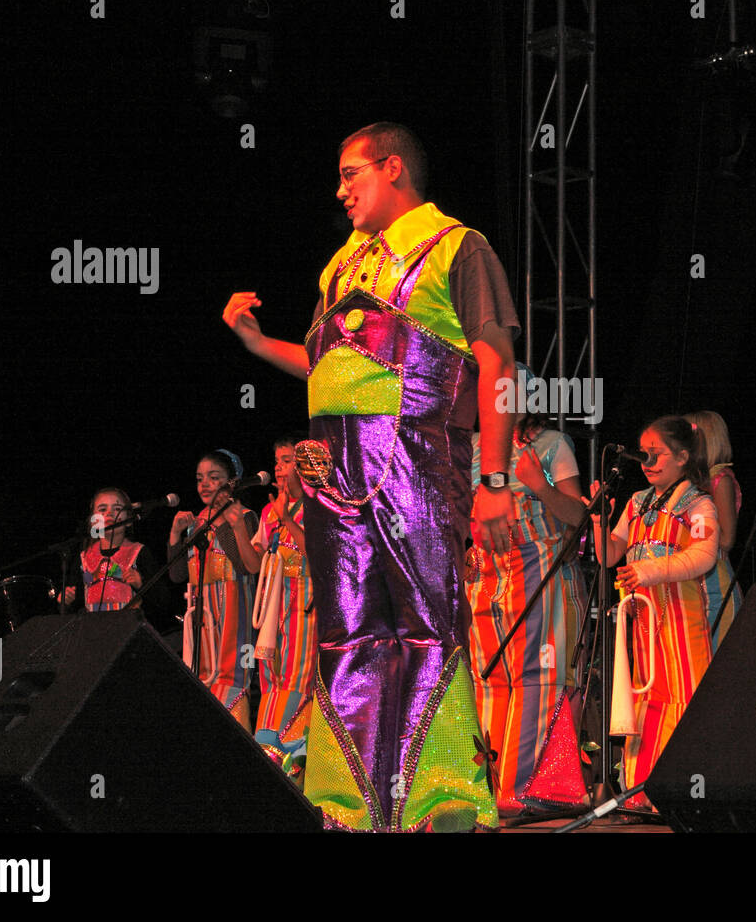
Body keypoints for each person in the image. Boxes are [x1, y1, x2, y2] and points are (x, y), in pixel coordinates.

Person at [222, 122, 517, 832]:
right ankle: (345, 802)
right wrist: (259, 345)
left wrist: (496, 477)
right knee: (345, 632)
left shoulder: (458, 246)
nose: (341, 188)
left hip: (417, 453)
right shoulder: (340, 266)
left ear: (393, 170)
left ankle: (440, 796)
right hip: (331, 465)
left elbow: (499, 365)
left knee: (425, 622)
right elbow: (327, 366)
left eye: (351, 174)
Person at [465, 407, 587, 817]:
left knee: (537, 679)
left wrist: (541, 486)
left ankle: (524, 790)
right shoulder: (470, 448)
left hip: (539, 572)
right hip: (487, 574)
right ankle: (487, 787)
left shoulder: (551, 445)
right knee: (488, 679)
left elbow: (577, 517)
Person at [591, 416, 718, 810]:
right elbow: (608, 555)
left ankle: (684, 792)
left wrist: (647, 571)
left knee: (684, 696)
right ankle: (641, 791)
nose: (646, 459)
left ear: (682, 457)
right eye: (643, 452)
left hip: (681, 618)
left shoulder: (697, 503)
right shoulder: (637, 502)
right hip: (644, 623)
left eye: (656, 452)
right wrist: (599, 518)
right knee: (648, 698)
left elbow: (704, 555)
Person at [169, 450, 260, 727]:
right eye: (200, 479)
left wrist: (223, 524)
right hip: (202, 615)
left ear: (232, 482)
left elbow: (247, 567)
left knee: (230, 682)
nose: (204, 484)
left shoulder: (245, 516)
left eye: (214, 477)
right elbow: (177, 574)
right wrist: (175, 534)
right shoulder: (195, 522)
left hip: (234, 612)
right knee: (202, 679)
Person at [250, 438, 318, 757]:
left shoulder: (317, 507)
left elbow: (317, 555)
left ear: (303, 467)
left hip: (303, 608)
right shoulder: (267, 512)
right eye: (276, 460)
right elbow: (253, 563)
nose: (278, 467)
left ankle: (291, 755)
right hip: (272, 613)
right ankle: (265, 745)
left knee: (296, 678)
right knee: (271, 676)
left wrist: (287, 519)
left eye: (287, 460)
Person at [685, 410, 742, 651]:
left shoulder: (720, 479)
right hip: (690, 581)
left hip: (715, 582)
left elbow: (727, 539)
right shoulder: (686, 482)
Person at [63, 488, 156, 613]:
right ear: (93, 521)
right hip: (92, 628)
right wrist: (66, 601)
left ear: (129, 519)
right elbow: (75, 607)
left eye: (117, 509)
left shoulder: (139, 553)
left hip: (128, 628)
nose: (110, 513)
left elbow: (162, 602)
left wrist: (141, 584)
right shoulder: (84, 558)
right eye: (102, 509)